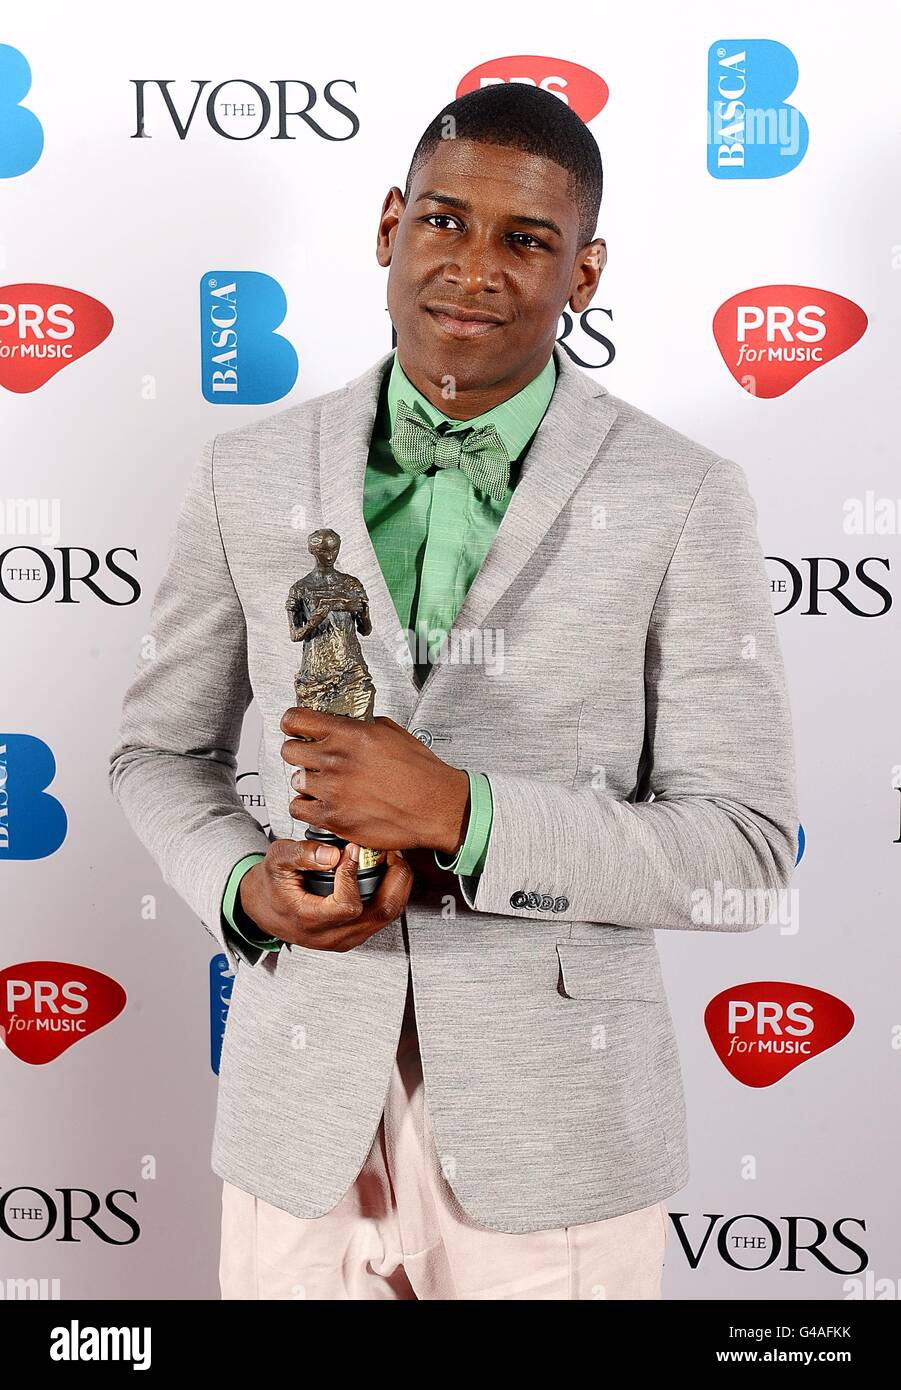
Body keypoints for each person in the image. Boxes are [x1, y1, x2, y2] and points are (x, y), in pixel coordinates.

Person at [109, 83, 798, 1301]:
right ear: (388, 225)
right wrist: (241, 887)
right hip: (297, 1124)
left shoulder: (683, 494)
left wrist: (465, 814)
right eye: (444, 221)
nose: (474, 267)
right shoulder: (246, 471)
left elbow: (741, 852)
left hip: (559, 1148)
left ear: (583, 273)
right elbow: (158, 753)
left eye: (525, 240)